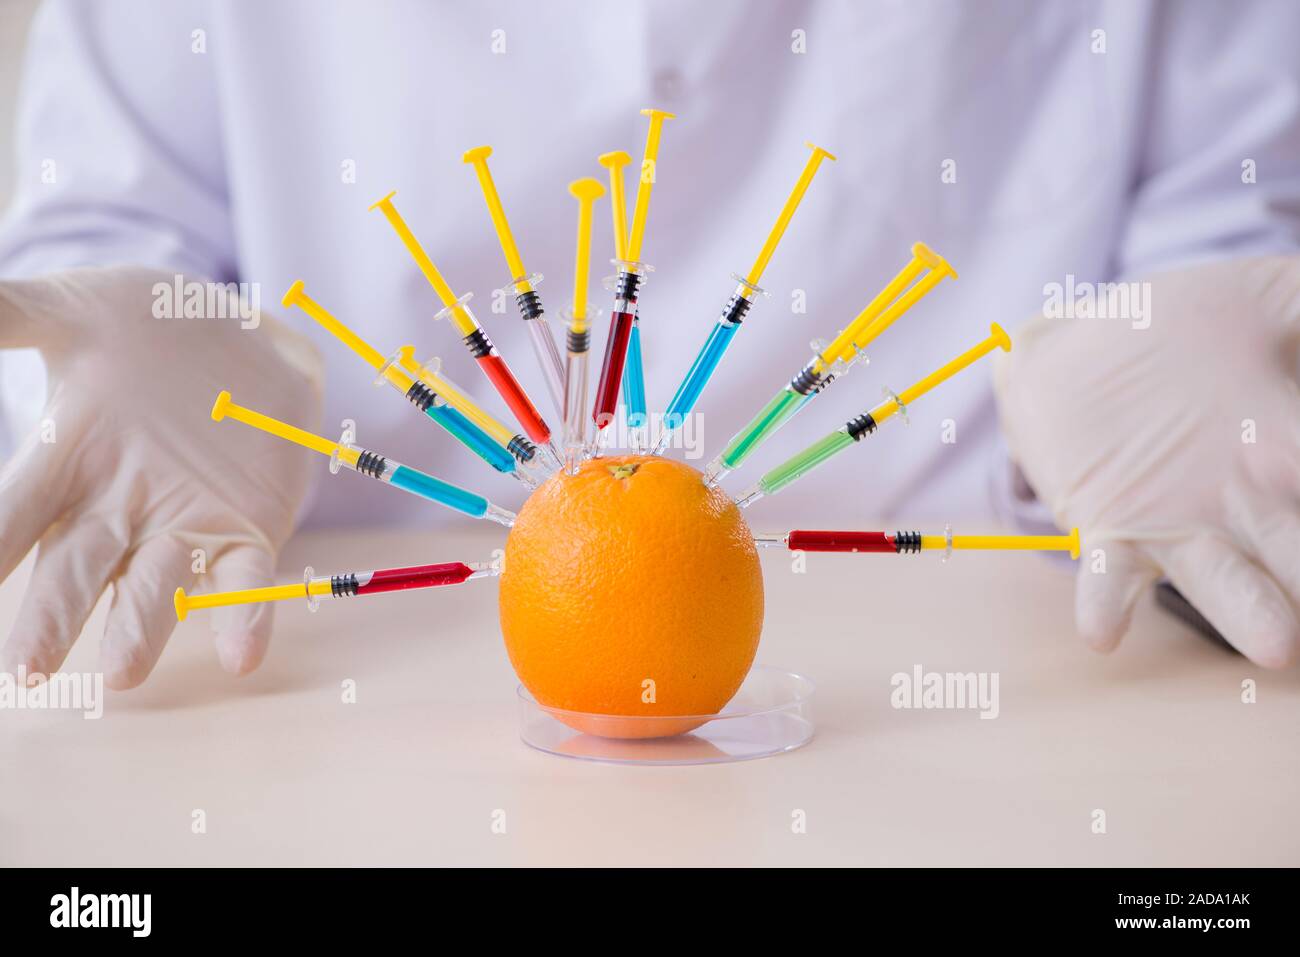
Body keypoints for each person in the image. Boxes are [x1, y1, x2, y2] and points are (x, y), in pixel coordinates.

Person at [0, 0, 1296, 686]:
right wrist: (184, 350)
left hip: (1014, 666)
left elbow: (1226, 247)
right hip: (347, 683)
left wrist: (1152, 354)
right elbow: (82, 301)